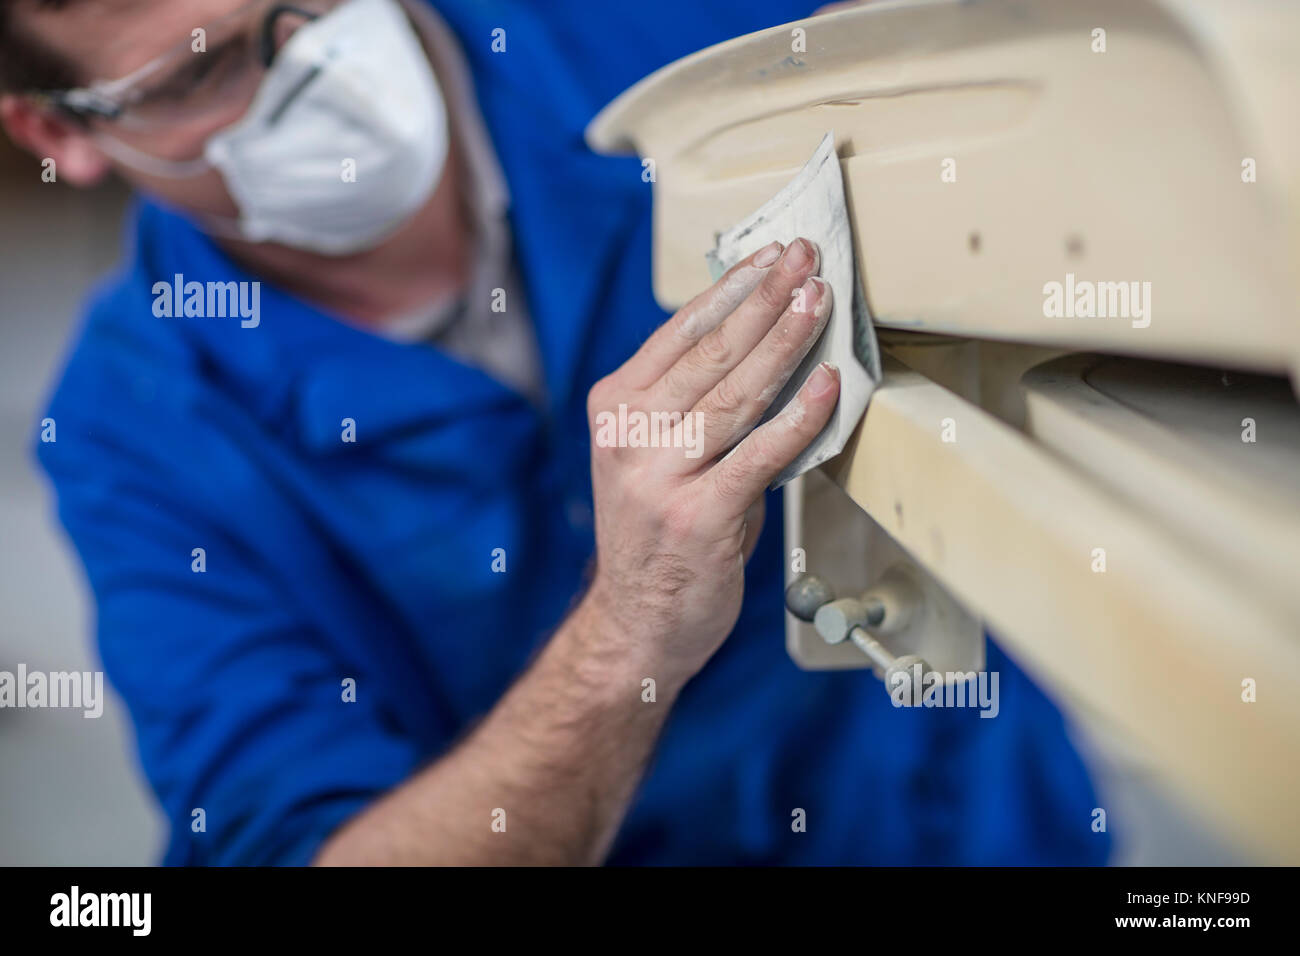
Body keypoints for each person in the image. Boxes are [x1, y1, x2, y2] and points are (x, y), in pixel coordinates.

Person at [0, 0, 1109, 865]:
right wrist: (625, 636)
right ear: (59, 130)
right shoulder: (135, 433)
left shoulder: (664, 35)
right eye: (202, 68)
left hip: (975, 819)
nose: (318, 59)